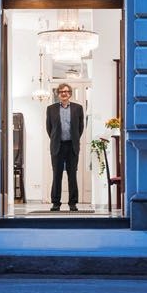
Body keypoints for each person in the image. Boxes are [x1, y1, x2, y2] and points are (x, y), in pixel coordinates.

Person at [45, 82, 85, 212]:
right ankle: (56, 203)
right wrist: (56, 139)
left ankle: (73, 203)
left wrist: (74, 139)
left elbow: (80, 128)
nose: (64, 94)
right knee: (57, 175)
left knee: (72, 175)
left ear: (70, 94)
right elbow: (49, 128)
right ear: (58, 94)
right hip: (57, 146)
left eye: (67, 91)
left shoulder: (78, 108)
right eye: (62, 91)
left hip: (72, 146)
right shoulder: (51, 109)